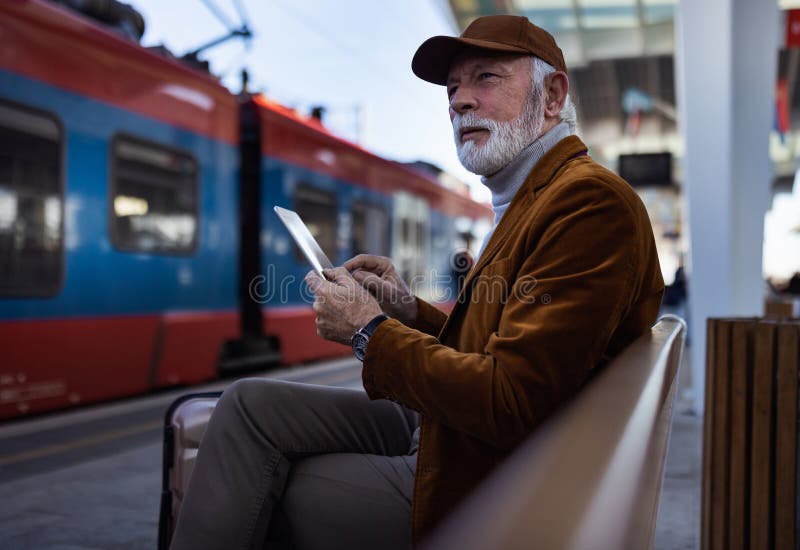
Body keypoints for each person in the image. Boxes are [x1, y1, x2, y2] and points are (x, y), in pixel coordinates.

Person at [170, 15, 664, 550]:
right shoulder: (534, 196)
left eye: (486, 78)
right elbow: (505, 348)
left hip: (498, 478)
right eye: (453, 89)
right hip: (464, 438)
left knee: (254, 483)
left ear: (552, 95)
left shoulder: (588, 204)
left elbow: (511, 400)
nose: (460, 102)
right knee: (247, 405)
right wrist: (407, 311)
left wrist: (369, 331)